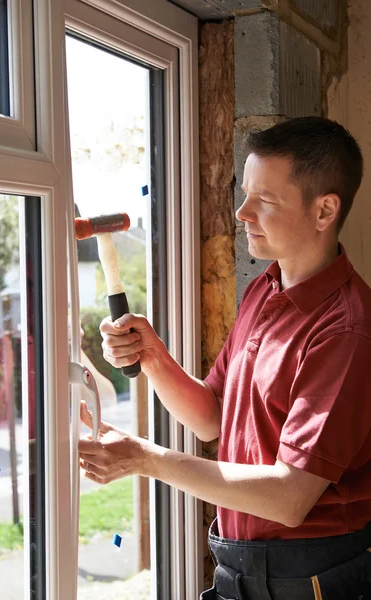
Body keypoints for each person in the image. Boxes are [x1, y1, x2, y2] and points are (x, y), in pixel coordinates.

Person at [78, 116, 371, 600]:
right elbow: (213, 418)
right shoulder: (264, 289)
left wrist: (146, 458)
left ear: (324, 211)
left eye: (265, 200)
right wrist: (153, 357)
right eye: (245, 192)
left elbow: (290, 497)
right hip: (240, 570)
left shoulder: (346, 331)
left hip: (313, 580)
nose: (241, 212)